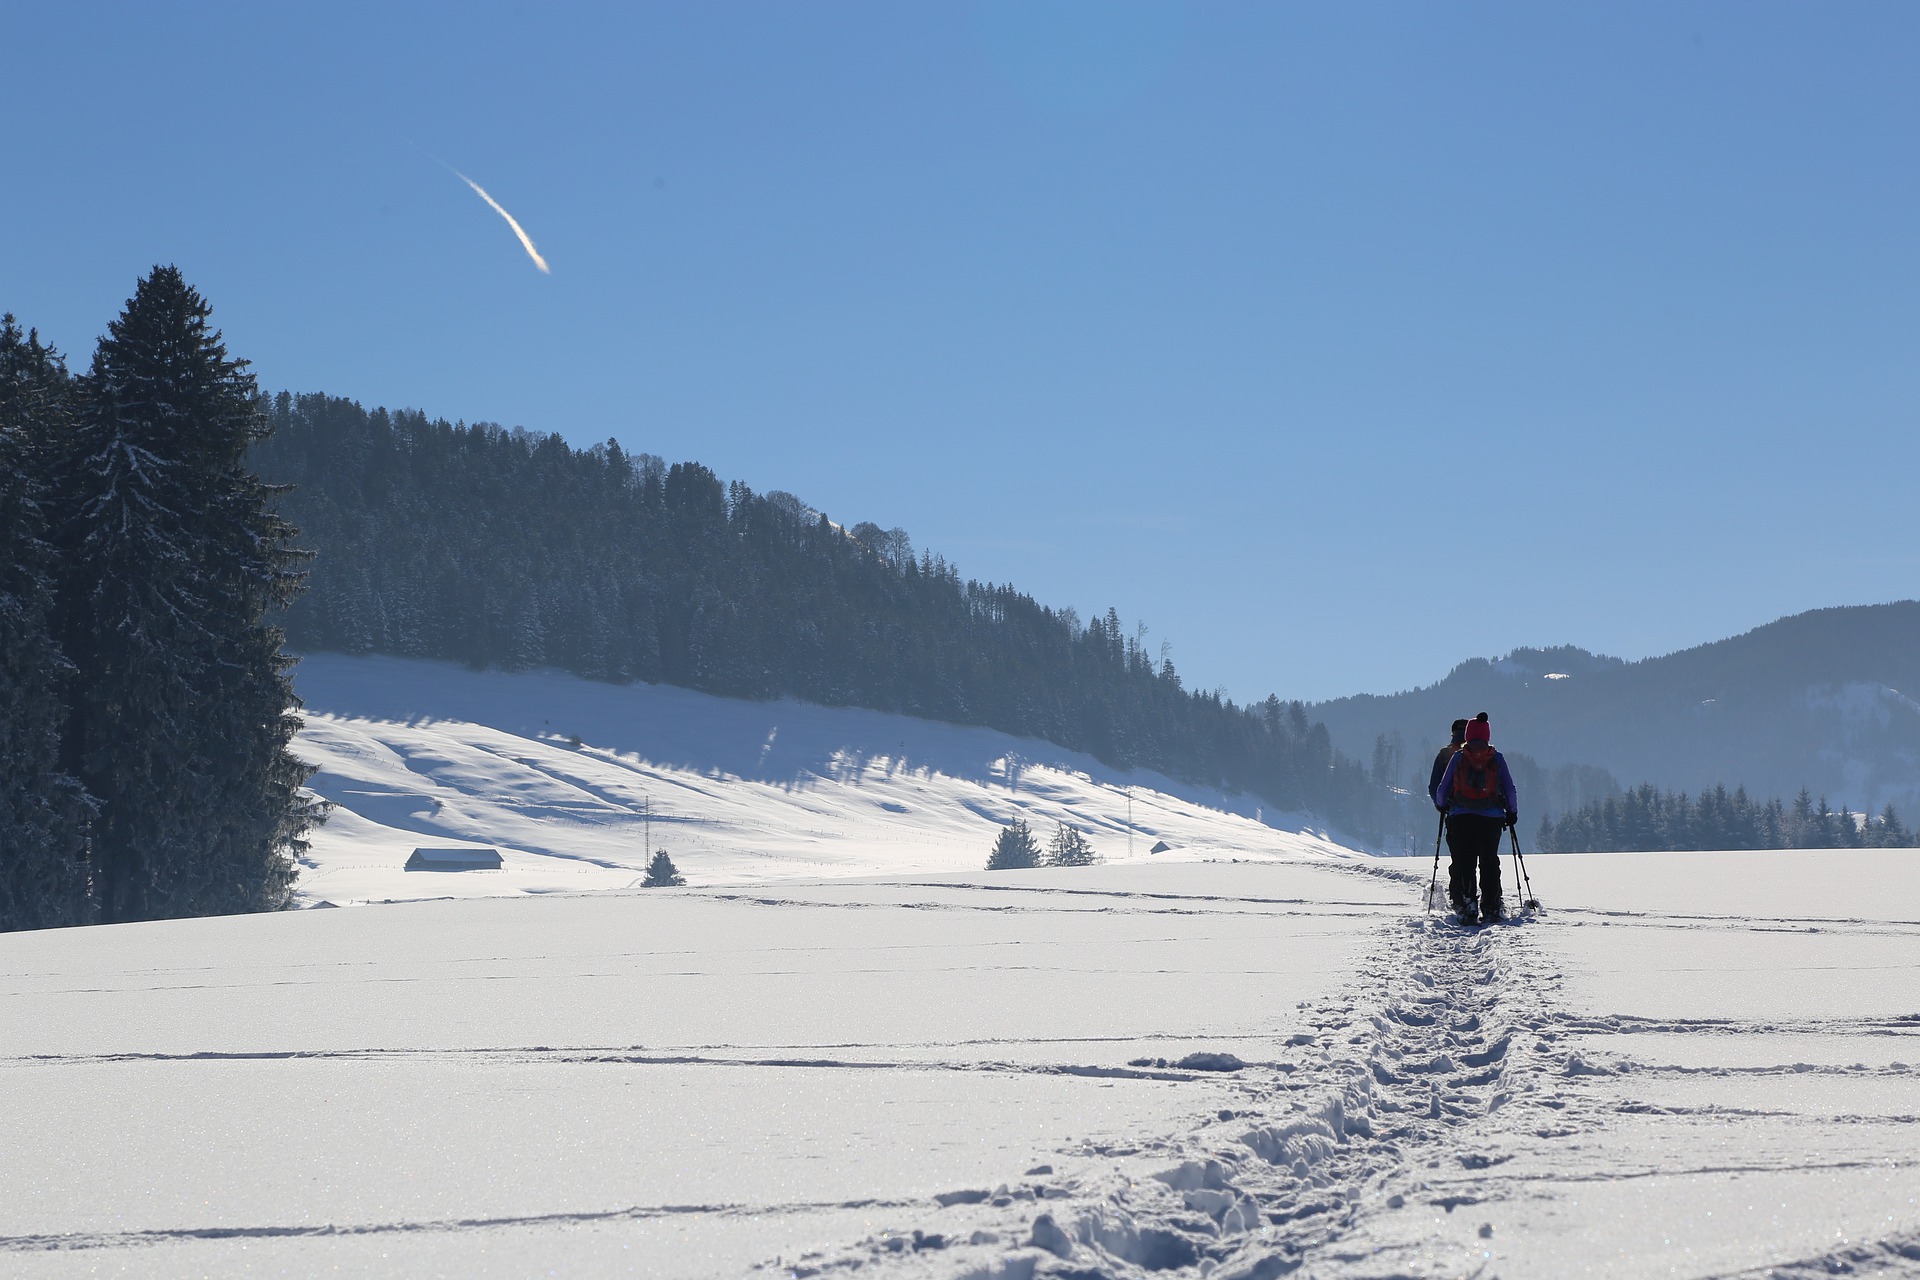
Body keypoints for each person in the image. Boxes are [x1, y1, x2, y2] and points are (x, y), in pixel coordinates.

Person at [1433, 712, 1517, 923]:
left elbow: (1442, 788)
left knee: (1465, 862)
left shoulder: (1458, 757)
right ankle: (1491, 906)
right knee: (1489, 862)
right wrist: (1512, 812)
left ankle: (1468, 905)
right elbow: (1509, 788)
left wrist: (1442, 806)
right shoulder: (1496, 757)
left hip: (1461, 817)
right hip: (1491, 819)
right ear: (1487, 735)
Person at [1428, 719, 1469, 802]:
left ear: (1453, 733)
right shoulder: (1487, 755)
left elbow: (1434, 788)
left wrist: (1441, 805)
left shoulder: (1445, 755)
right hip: (1488, 810)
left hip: (1455, 810)